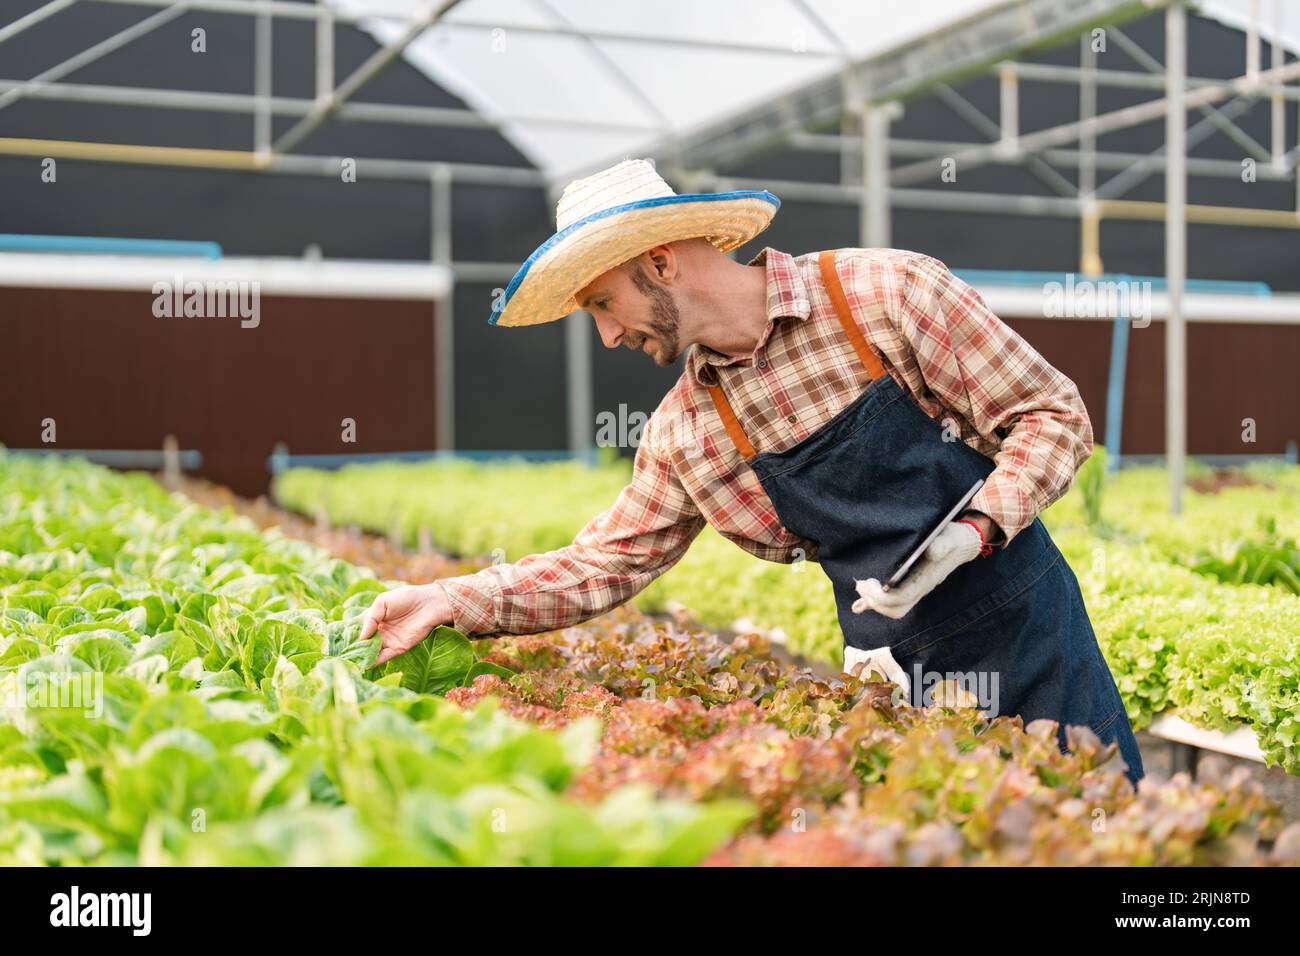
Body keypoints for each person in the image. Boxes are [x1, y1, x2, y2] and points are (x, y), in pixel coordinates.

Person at [360, 158, 1145, 788]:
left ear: (661, 263)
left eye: (603, 304)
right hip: (898, 669)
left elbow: (1052, 414)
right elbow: (604, 563)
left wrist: (976, 529)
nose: (605, 337)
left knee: (1115, 832)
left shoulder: (886, 294)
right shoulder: (688, 431)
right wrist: (450, 598)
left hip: (1029, 627)